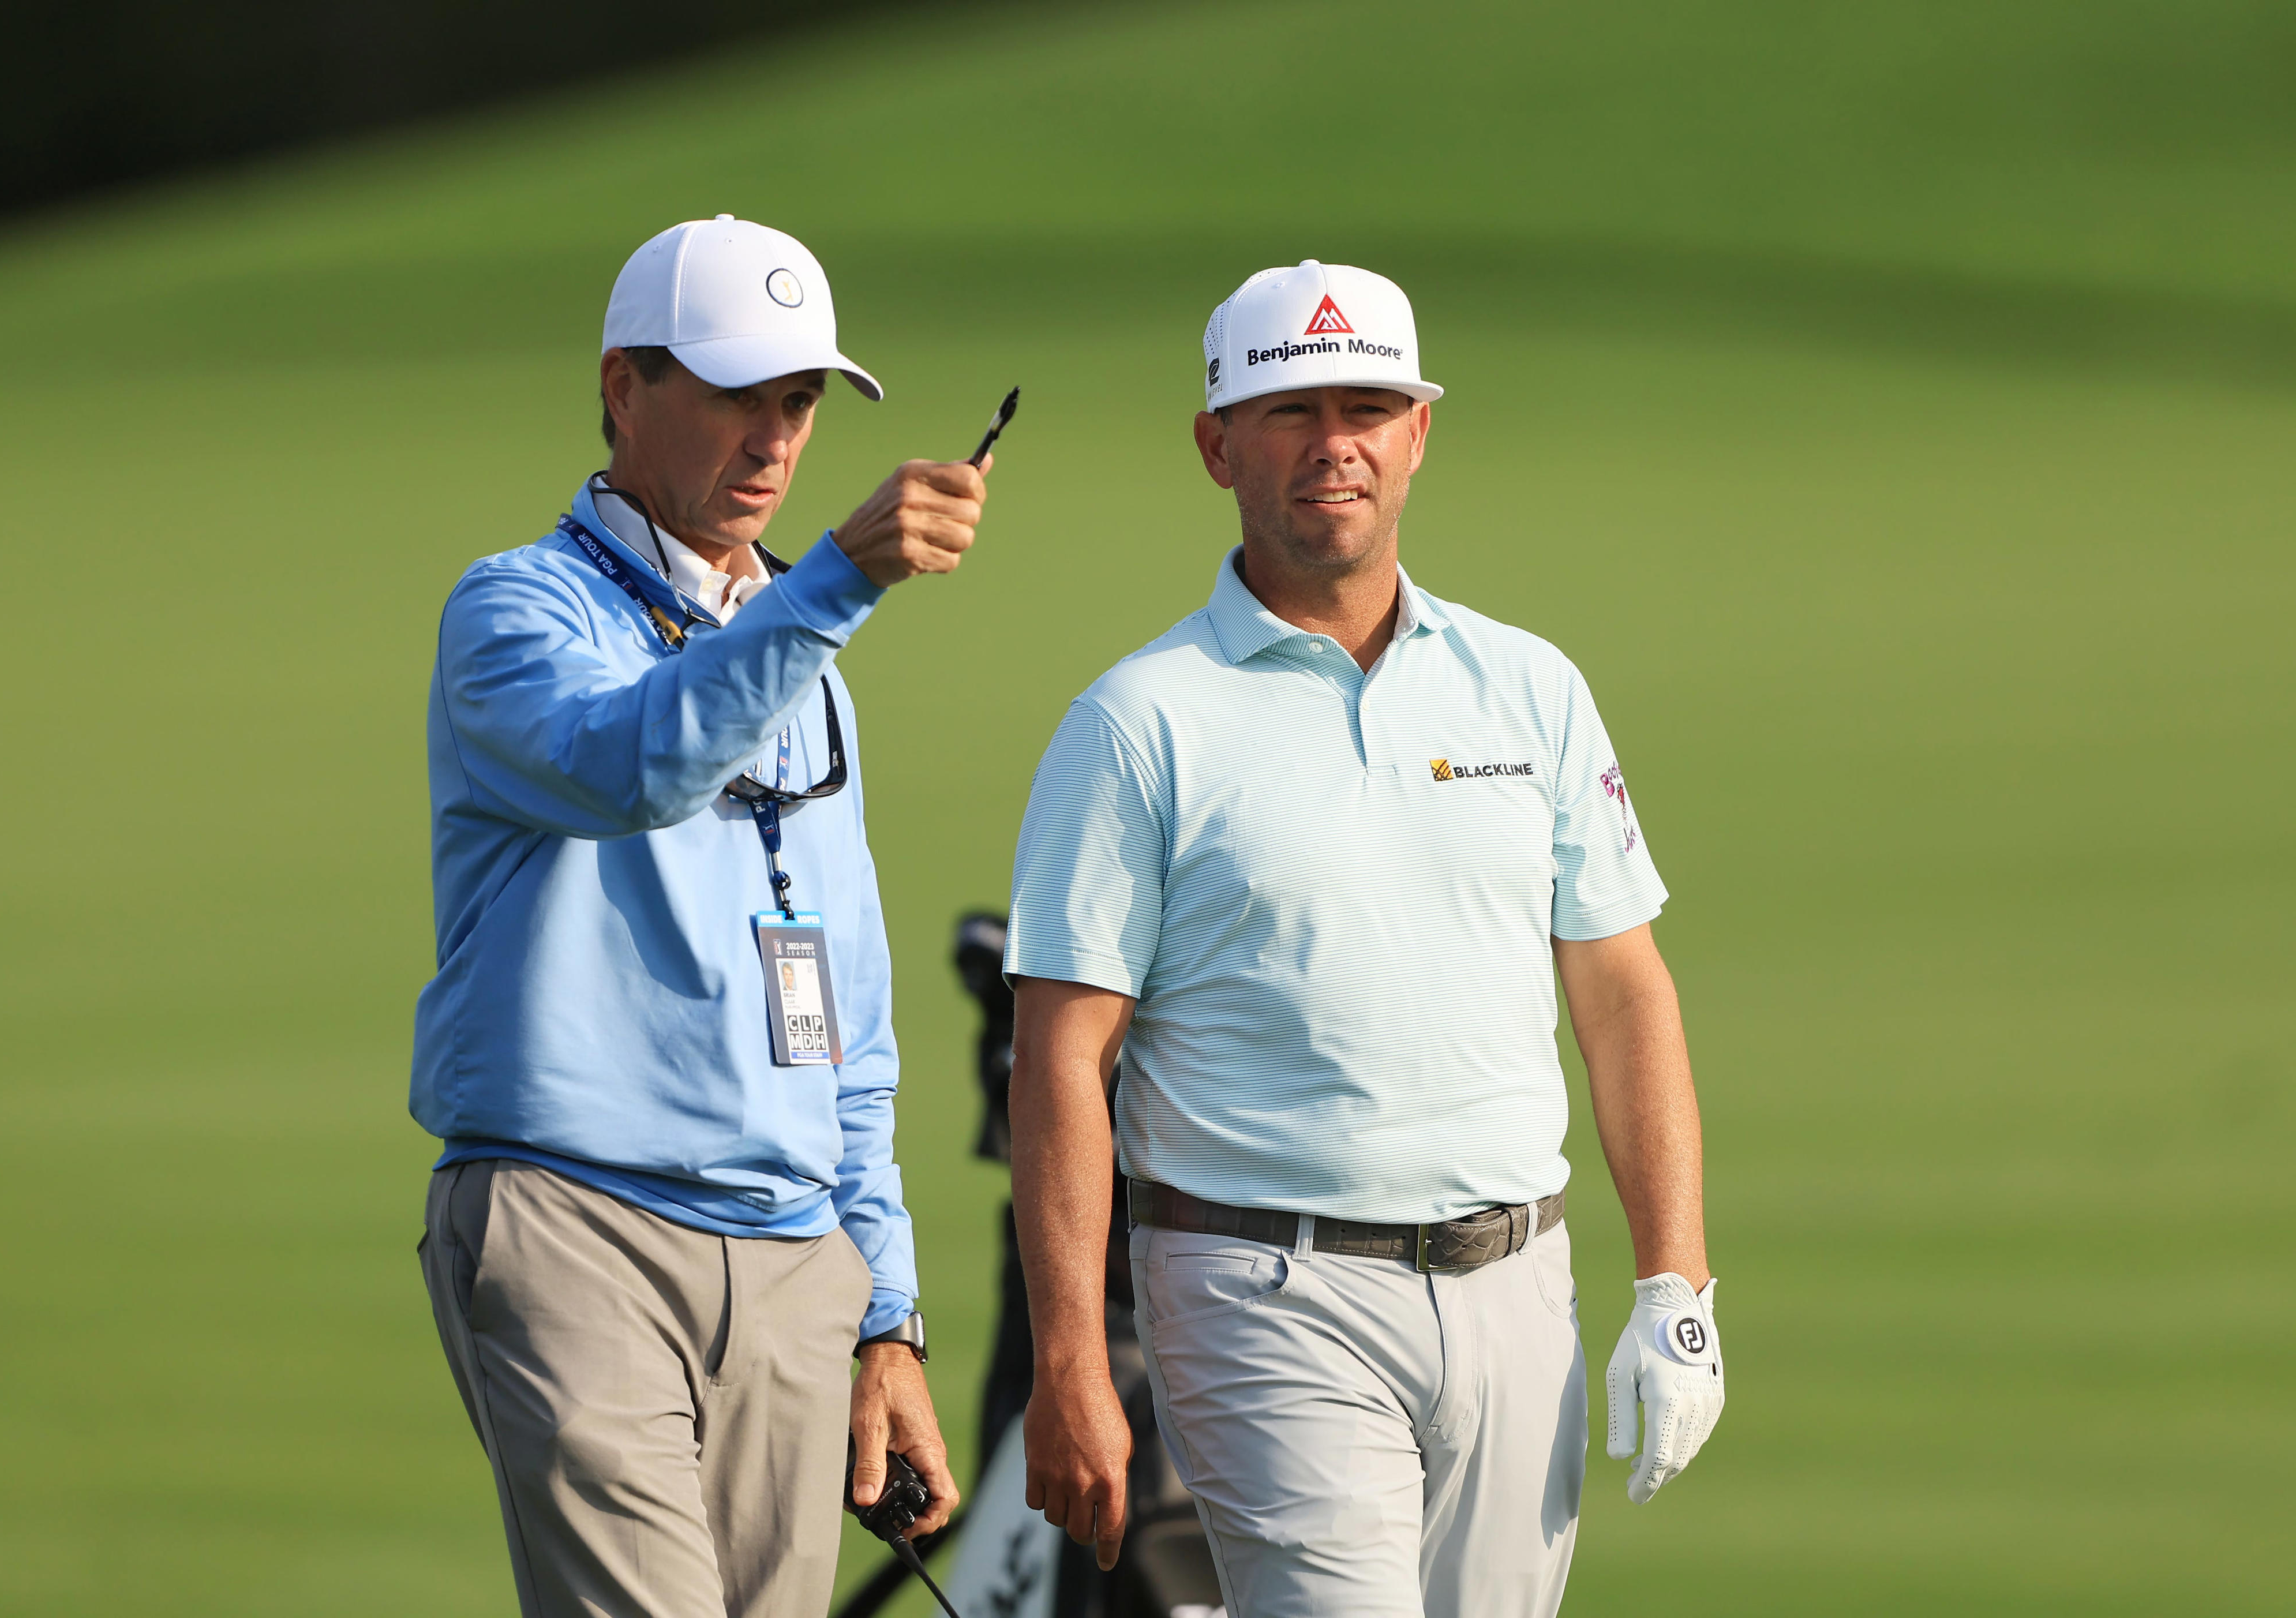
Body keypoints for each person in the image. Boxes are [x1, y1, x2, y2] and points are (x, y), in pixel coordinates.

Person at [1004, 260, 1725, 1617]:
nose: (1334, 445)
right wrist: (1070, 1362)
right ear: (1218, 445)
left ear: (1418, 434)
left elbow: (1624, 990)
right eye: (1289, 413)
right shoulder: (1137, 723)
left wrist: (1674, 1279)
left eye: (1368, 406)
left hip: (1521, 1283)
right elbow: (1059, 1059)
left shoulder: (1531, 685)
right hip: (1265, 1286)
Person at [411, 215, 983, 1618]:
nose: (778, 439)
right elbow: (636, 764)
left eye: (798, 403)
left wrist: (887, 1313)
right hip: (575, 1222)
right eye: (739, 394)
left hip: (796, 1262)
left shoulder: (804, 651)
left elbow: (844, 998)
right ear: (623, 387)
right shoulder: (515, 613)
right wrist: (838, 584)